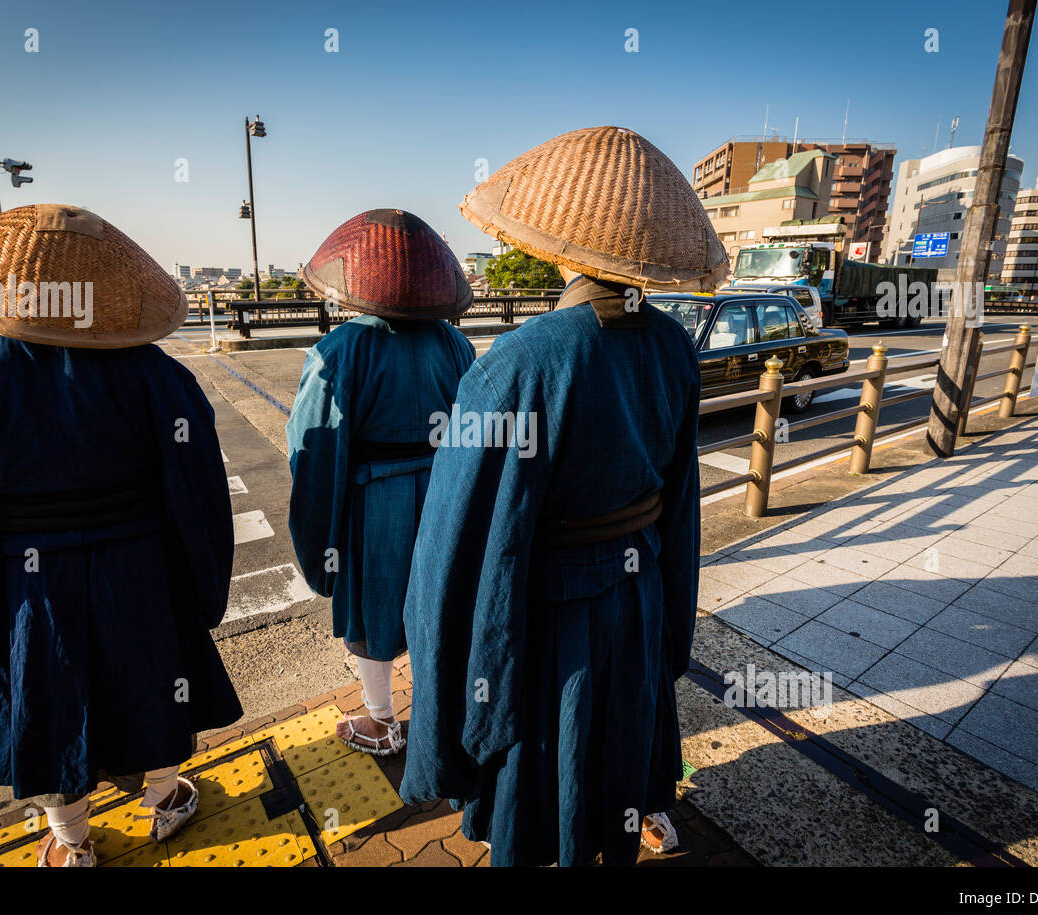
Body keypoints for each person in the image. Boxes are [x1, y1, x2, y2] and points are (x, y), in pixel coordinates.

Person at [398, 127, 729, 866]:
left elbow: (458, 545)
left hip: (551, 619)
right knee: (622, 742)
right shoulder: (674, 347)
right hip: (639, 598)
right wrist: (672, 624)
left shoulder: (521, 360)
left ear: (562, 246)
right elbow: (682, 507)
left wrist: (451, 695)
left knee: (550, 765)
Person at [0, 204, 242, 867]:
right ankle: (168, 800)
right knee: (158, 687)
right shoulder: (160, 377)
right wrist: (200, 594)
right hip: (140, 569)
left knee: (47, 706)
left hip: (25, 586)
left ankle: (72, 844)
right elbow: (200, 502)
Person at [286, 209, 475, 755]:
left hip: (375, 496)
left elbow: (315, 448)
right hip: (443, 491)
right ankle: (447, 718)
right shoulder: (455, 345)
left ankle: (382, 721)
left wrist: (318, 527)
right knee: (440, 604)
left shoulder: (338, 349)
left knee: (373, 606)